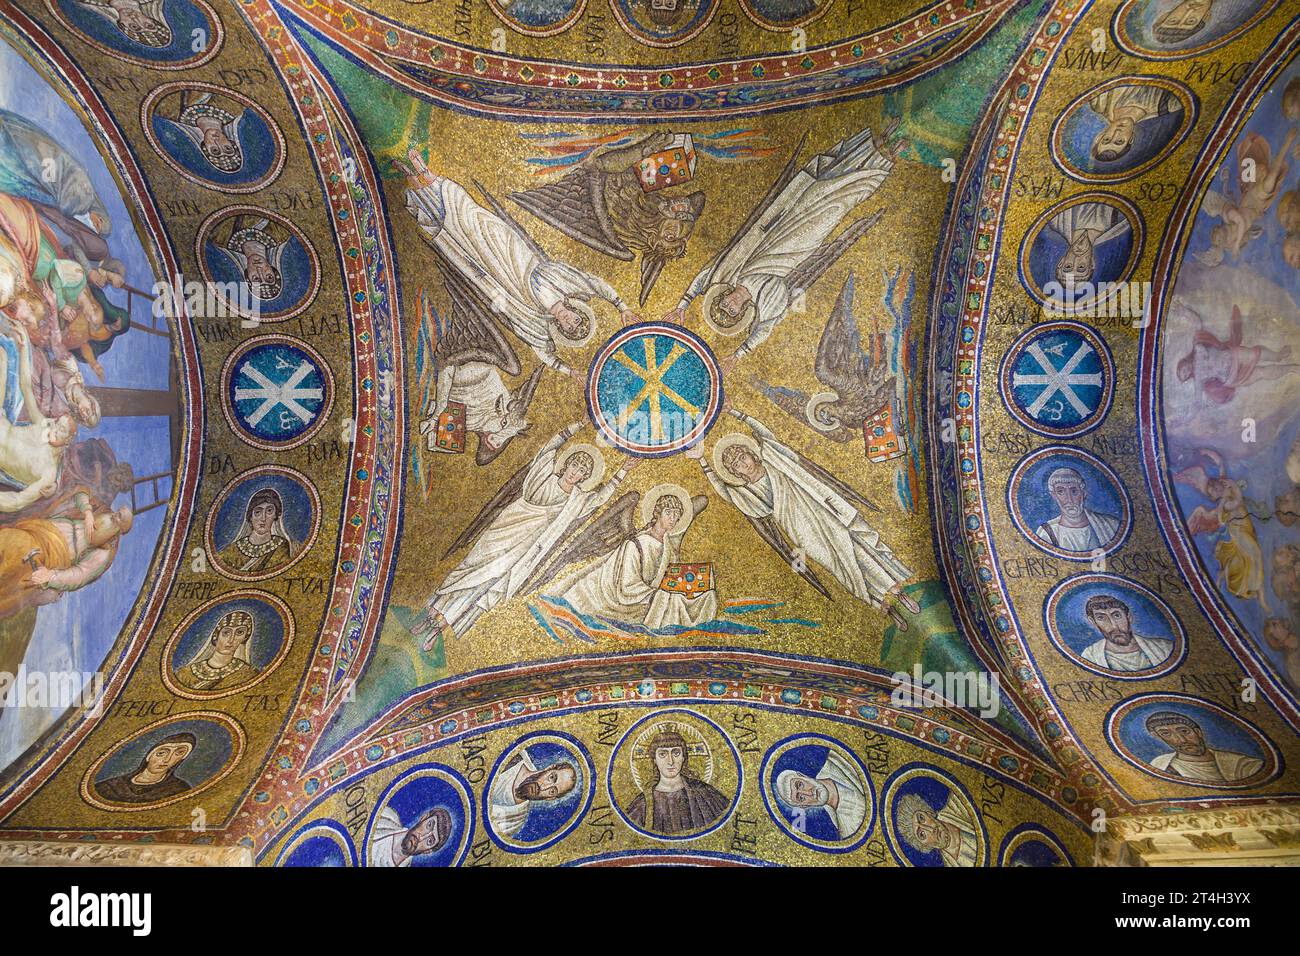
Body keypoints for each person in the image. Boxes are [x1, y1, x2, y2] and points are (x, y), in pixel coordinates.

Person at [666, 126, 896, 370]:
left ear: (721, 296)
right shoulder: (767, 304)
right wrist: (737, 355)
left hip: (775, 224)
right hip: (801, 244)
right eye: (732, 312)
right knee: (835, 204)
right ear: (741, 313)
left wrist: (682, 306)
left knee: (812, 185)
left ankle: (869, 144)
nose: (730, 306)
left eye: (724, 305)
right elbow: (764, 330)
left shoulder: (724, 274)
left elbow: (701, 278)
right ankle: (878, 165)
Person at [399, 149, 640, 378]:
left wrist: (569, 371)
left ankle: (413, 184)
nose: (568, 321)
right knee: (475, 221)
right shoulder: (567, 286)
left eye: (568, 328)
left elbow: (544, 353)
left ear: (562, 330)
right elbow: (597, 285)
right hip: (514, 253)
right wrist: (622, 307)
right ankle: (430, 177)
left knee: (457, 241)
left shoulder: (536, 323)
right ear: (578, 312)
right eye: (575, 320)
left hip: (493, 276)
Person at [410, 425, 635, 648]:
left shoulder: (577, 499)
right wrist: (574, 428)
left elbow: (600, 498)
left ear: (584, 478)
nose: (576, 472)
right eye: (575, 465)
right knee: (468, 569)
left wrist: (623, 470)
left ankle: (438, 629)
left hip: (524, 548)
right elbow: (547, 449)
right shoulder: (544, 474)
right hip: (505, 530)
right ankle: (429, 616)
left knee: (486, 584)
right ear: (567, 463)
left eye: (582, 472)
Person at [626, 728, 729, 835]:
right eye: (662, 754)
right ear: (654, 760)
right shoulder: (642, 804)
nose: (670, 761)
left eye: (676, 753)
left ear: (683, 757)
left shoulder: (706, 793)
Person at [773, 748, 868, 840]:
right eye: (801, 798)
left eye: (800, 785)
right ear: (804, 806)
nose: (809, 793)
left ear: (802, 775)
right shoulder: (848, 829)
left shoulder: (838, 758)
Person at [1144, 711, 1264, 784]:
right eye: (1166, 734)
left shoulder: (1241, 764)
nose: (1181, 739)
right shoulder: (1160, 765)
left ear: (1198, 732)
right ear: (1159, 737)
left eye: (1184, 731)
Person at [487, 749, 578, 839]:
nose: (543, 787)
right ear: (549, 768)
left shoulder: (514, 822)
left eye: (552, 791)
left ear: (550, 798)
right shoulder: (515, 756)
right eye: (551, 777)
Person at [1032, 466, 1121, 554]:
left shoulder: (1111, 525)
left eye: (1074, 491)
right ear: (1054, 496)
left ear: (1084, 493)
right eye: (1061, 492)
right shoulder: (1047, 532)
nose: (1069, 499)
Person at [1078, 593, 1173, 671]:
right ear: (1093, 622)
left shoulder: (1164, 648)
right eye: (1101, 618)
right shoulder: (1090, 656)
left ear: (1129, 617)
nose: (1114, 626)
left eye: (1117, 615)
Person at [94, 732, 196, 805]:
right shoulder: (109, 787)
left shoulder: (178, 789)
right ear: (148, 756)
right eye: (161, 753)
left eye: (178, 753)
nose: (167, 759)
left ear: (182, 759)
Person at [174, 609, 260, 692]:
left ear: (245, 638)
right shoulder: (185, 674)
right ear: (216, 636)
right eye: (226, 633)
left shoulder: (248, 674)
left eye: (239, 633)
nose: (231, 640)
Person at [218, 487, 296, 574]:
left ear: (276, 515)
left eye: (269, 511)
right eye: (258, 512)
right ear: (250, 517)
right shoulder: (233, 550)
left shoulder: (282, 546)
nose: (263, 518)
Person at [894, 790, 979, 866]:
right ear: (923, 845)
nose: (931, 830)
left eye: (922, 818)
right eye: (922, 834)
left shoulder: (959, 803)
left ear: (928, 812)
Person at [368, 805, 453, 867]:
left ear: (428, 851)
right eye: (429, 825)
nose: (421, 837)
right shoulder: (386, 816)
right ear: (423, 818)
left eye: (430, 841)